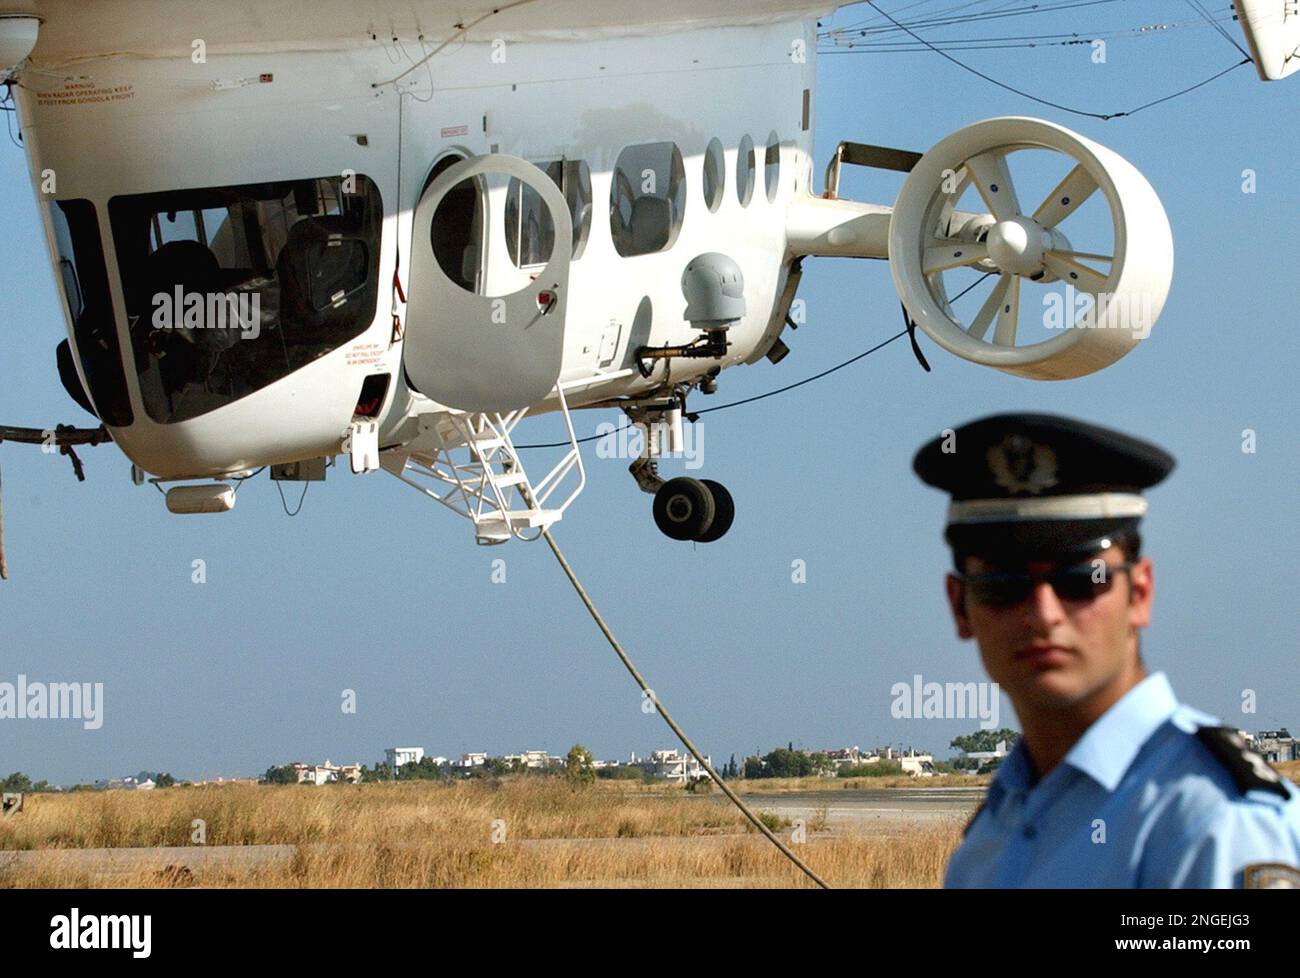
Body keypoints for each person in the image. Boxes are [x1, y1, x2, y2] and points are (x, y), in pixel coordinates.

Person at [912, 412, 1300, 888]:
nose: (1043, 613)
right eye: (1002, 584)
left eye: (1081, 581)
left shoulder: (1212, 822)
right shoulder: (994, 832)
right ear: (959, 606)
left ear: (1140, 593)